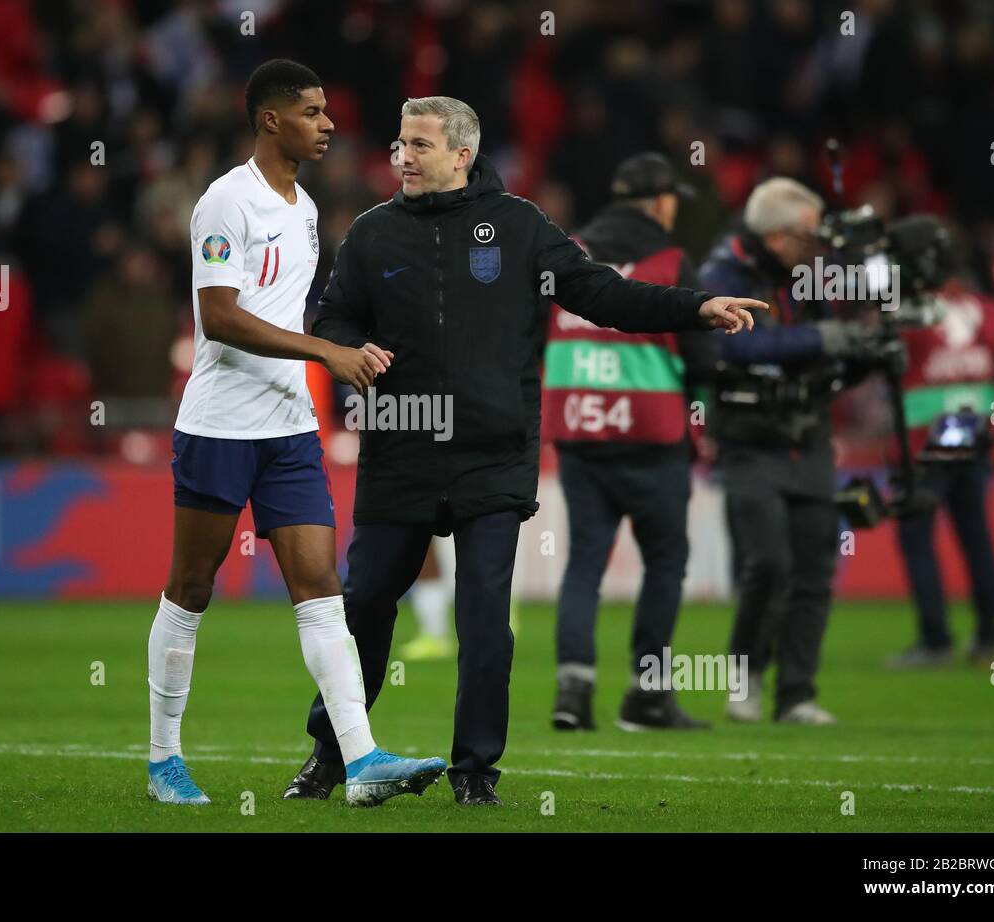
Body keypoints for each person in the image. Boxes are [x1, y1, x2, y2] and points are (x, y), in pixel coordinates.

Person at [282, 96, 764, 806]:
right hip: (401, 449)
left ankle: (475, 773)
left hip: (491, 455)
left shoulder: (521, 228)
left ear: (461, 155)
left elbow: (603, 294)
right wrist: (350, 358)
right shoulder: (372, 233)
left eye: (418, 144)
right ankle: (332, 752)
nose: (402, 156)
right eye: (399, 143)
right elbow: (337, 317)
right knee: (364, 610)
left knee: (484, 621)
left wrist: (693, 306)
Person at [147, 60, 446, 808]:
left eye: (327, 110)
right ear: (271, 121)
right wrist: (325, 351)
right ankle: (163, 760)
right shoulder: (224, 204)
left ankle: (361, 756)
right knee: (190, 588)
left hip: (288, 427)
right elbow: (218, 316)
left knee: (321, 590)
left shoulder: (306, 208)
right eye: (313, 112)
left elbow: (285, 309)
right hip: (219, 425)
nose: (329, 124)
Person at [545, 152, 715, 732]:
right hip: (654, 439)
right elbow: (703, 357)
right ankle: (647, 695)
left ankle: (573, 691)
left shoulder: (570, 253)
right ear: (662, 203)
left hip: (579, 434)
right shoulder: (672, 261)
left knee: (584, 564)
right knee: (665, 561)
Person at [700, 177, 875, 726]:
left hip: (810, 436)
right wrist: (823, 341)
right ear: (776, 239)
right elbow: (735, 344)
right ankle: (746, 677)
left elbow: (821, 349)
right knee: (769, 563)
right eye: (808, 235)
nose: (819, 245)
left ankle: (796, 692)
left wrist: (865, 352)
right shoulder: (721, 275)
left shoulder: (803, 277)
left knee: (816, 568)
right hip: (751, 440)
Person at [888, 261, 994, 669]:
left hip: (929, 434)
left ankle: (935, 641)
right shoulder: (988, 308)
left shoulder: (908, 312)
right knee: (975, 531)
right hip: (974, 427)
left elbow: (888, 364)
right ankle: (989, 635)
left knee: (916, 534)